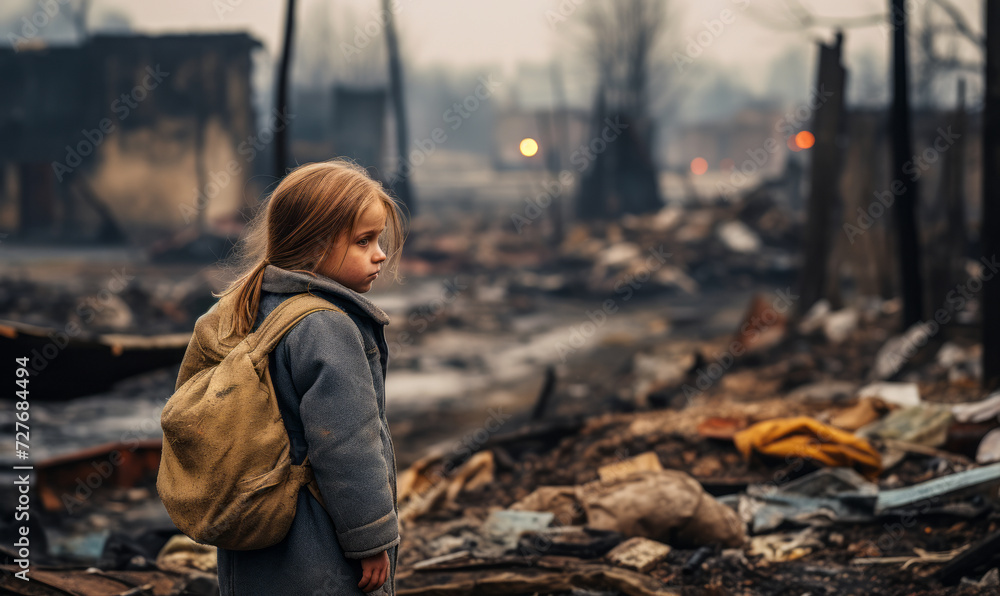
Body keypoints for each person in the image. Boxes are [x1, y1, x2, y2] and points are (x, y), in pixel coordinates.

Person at [211, 159, 406, 594]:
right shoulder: (326, 325)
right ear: (314, 245)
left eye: (379, 240)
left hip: (257, 529)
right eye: (364, 241)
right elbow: (346, 444)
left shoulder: (251, 305)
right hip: (316, 541)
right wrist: (371, 538)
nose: (380, 254)